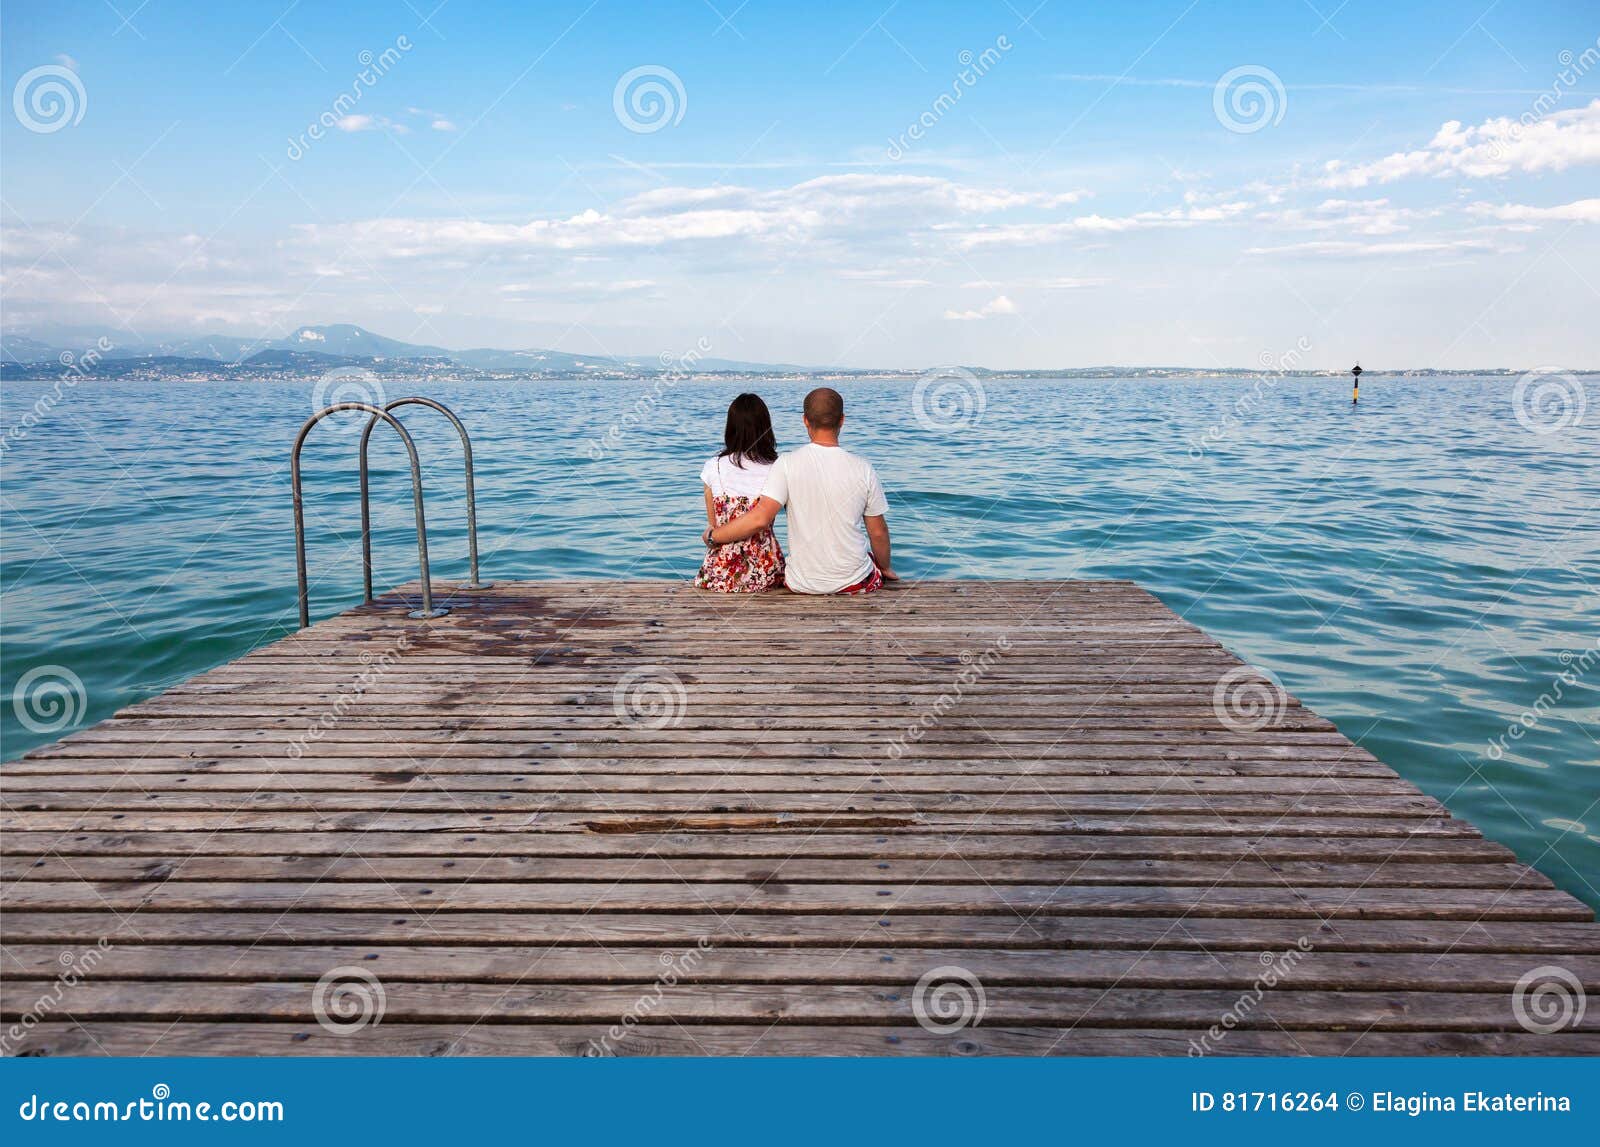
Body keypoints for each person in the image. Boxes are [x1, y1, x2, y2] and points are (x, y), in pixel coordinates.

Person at [702, 386, 896, 594]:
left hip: (801, 584)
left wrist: (713, 536)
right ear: (842, 420)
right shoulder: (864, 468)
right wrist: (883, 567)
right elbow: (878, 532)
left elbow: (760, 517)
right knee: (867, 562)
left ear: (805, 420)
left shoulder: (786, 463)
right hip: (854, 583)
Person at [694, 393, 786, 593]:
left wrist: (711, 537)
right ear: (765, 428)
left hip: (720, 572)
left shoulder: (713, 466)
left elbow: (713, 526)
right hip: (765, 571)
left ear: (731, 428)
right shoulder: (778, 467)